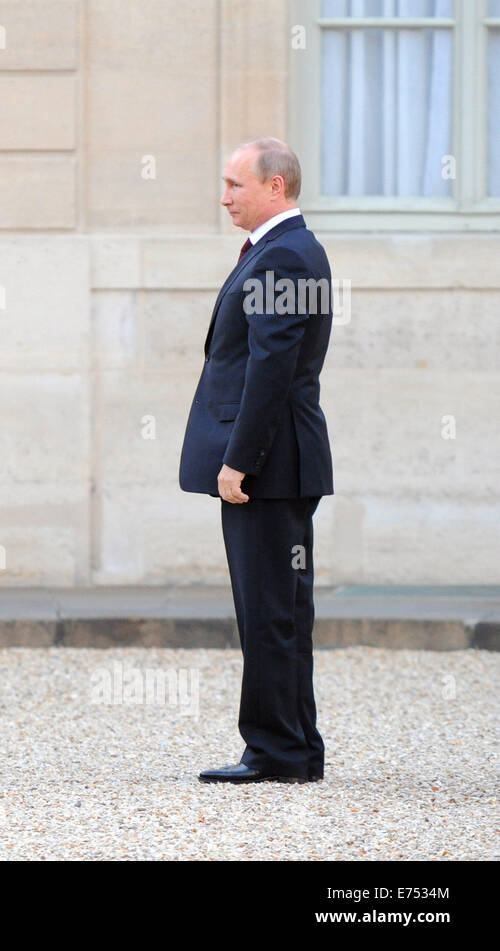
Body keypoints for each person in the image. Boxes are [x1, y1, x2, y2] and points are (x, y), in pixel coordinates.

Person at [178, 137, 335, 784]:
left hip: (271, 466)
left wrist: (239, 460)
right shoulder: (283, 251)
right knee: (279, 609)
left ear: (277, 187)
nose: (224, 197)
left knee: (270, 610)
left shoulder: (287, 257)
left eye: (235, 185)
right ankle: (294, 747)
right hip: (281, 462)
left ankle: (276, 751)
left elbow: (272, 370)